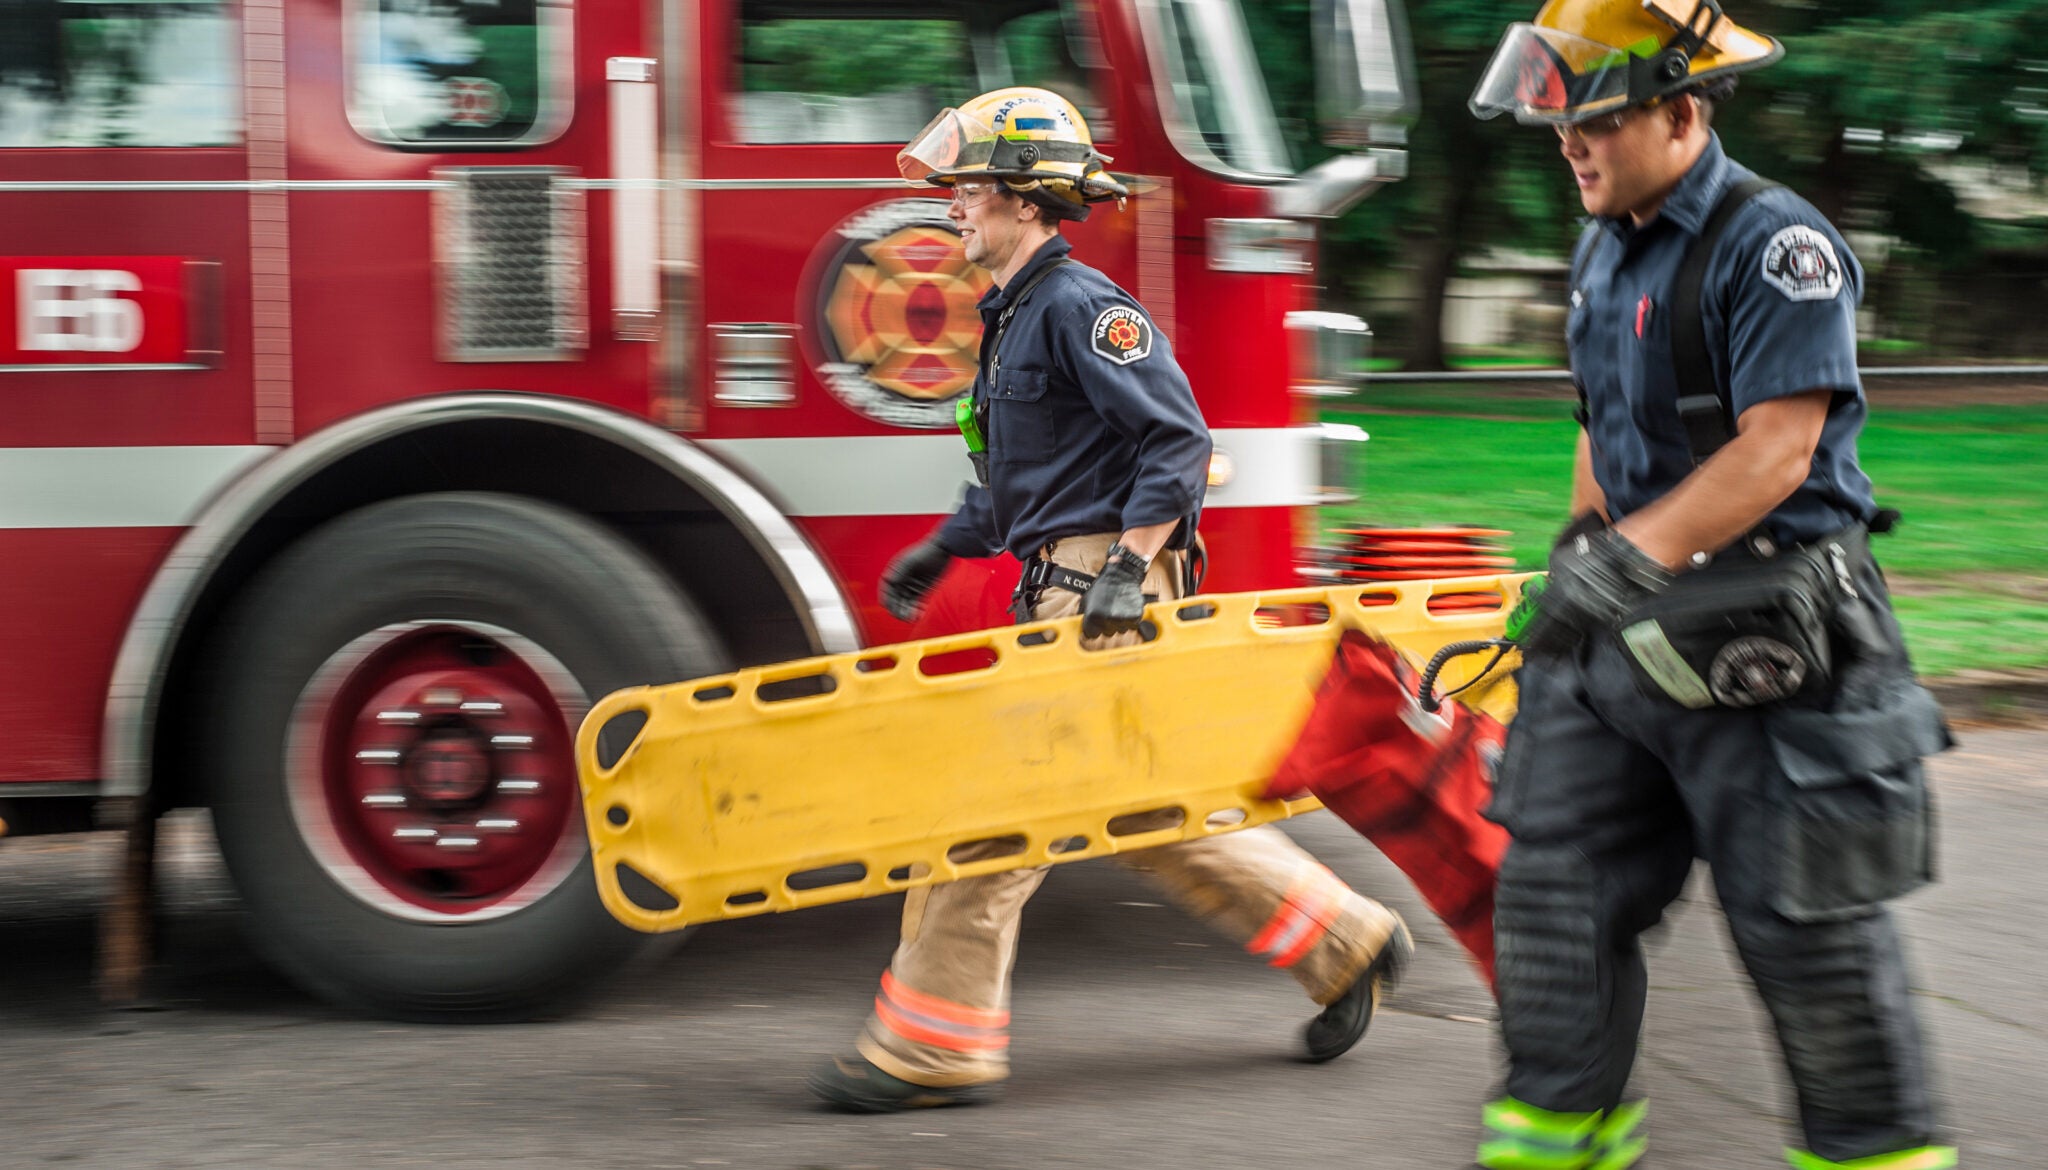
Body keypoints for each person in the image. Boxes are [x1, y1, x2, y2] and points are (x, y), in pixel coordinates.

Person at [807, 87, 1414, 1112]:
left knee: (994, 816)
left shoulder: (1083, 309)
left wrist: (1131, 568)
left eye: (968, 190)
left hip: (1102, 595)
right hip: (1068, 585)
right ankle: (1345, 939)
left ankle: (931, 1049)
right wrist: (939, 549)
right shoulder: (1010, 319)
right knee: (1141, 812)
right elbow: (1021, 480)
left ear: (1024, 198)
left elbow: (1175, 442)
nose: (952, 207)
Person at [1465, 2, 1954, 1168]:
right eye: (1556, 128)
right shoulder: (1601, 244)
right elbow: (1602, 425)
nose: (1568, 147)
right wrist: (1572, 563)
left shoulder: (1773, 242)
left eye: (1591, 122)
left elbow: (1776, 448)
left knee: (1803, 934)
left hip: (1769, 643)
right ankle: (1553, 1141)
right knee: (1550, 900)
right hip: (1618, 636)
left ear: (1681, 110)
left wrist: (1627, 560)